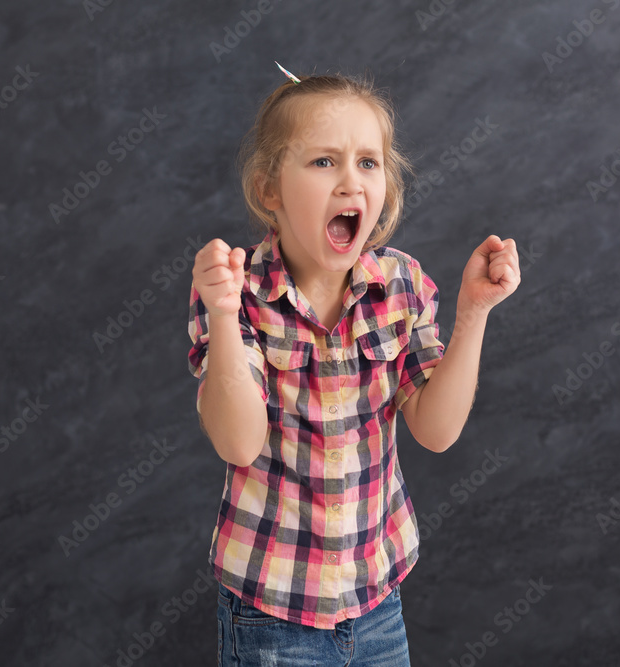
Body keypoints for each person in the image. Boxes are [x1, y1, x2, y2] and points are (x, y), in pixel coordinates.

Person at [187, 63, 520, 666]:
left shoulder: (402, 284)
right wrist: (219, 311)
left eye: (368, 163)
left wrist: (474, 311)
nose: (351, 182)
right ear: (269, 190)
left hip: (376, 604)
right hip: (271, 613)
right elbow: (238, 442)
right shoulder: (240, 293)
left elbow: (436, 431)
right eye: (323, 162)